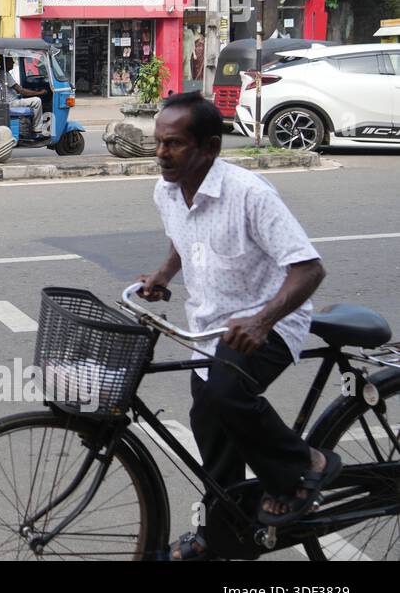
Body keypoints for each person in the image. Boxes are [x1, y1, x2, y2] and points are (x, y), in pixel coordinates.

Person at [137, 92, 335, 560]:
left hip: (269, 324)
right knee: (209, 425)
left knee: (228, 392)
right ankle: (228, 535)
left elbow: (309, 269)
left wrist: (264, 320)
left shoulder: (249, 194)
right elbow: (184, 237)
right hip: (209, 329)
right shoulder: (166, 190)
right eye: (159, 142)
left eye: (175, 144)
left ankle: (304, 466)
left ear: (209, 148)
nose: (162, 154)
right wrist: (164, 273)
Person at [0, 56, 46, 133]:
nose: (13, 63)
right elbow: (21, 91)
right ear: (5, 62)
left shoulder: (0, 74)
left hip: (7, 102)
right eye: (11, 61)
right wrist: (40, 93)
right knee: (37, 101)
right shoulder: (5, 74)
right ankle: (37, 128)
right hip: (11, 103)